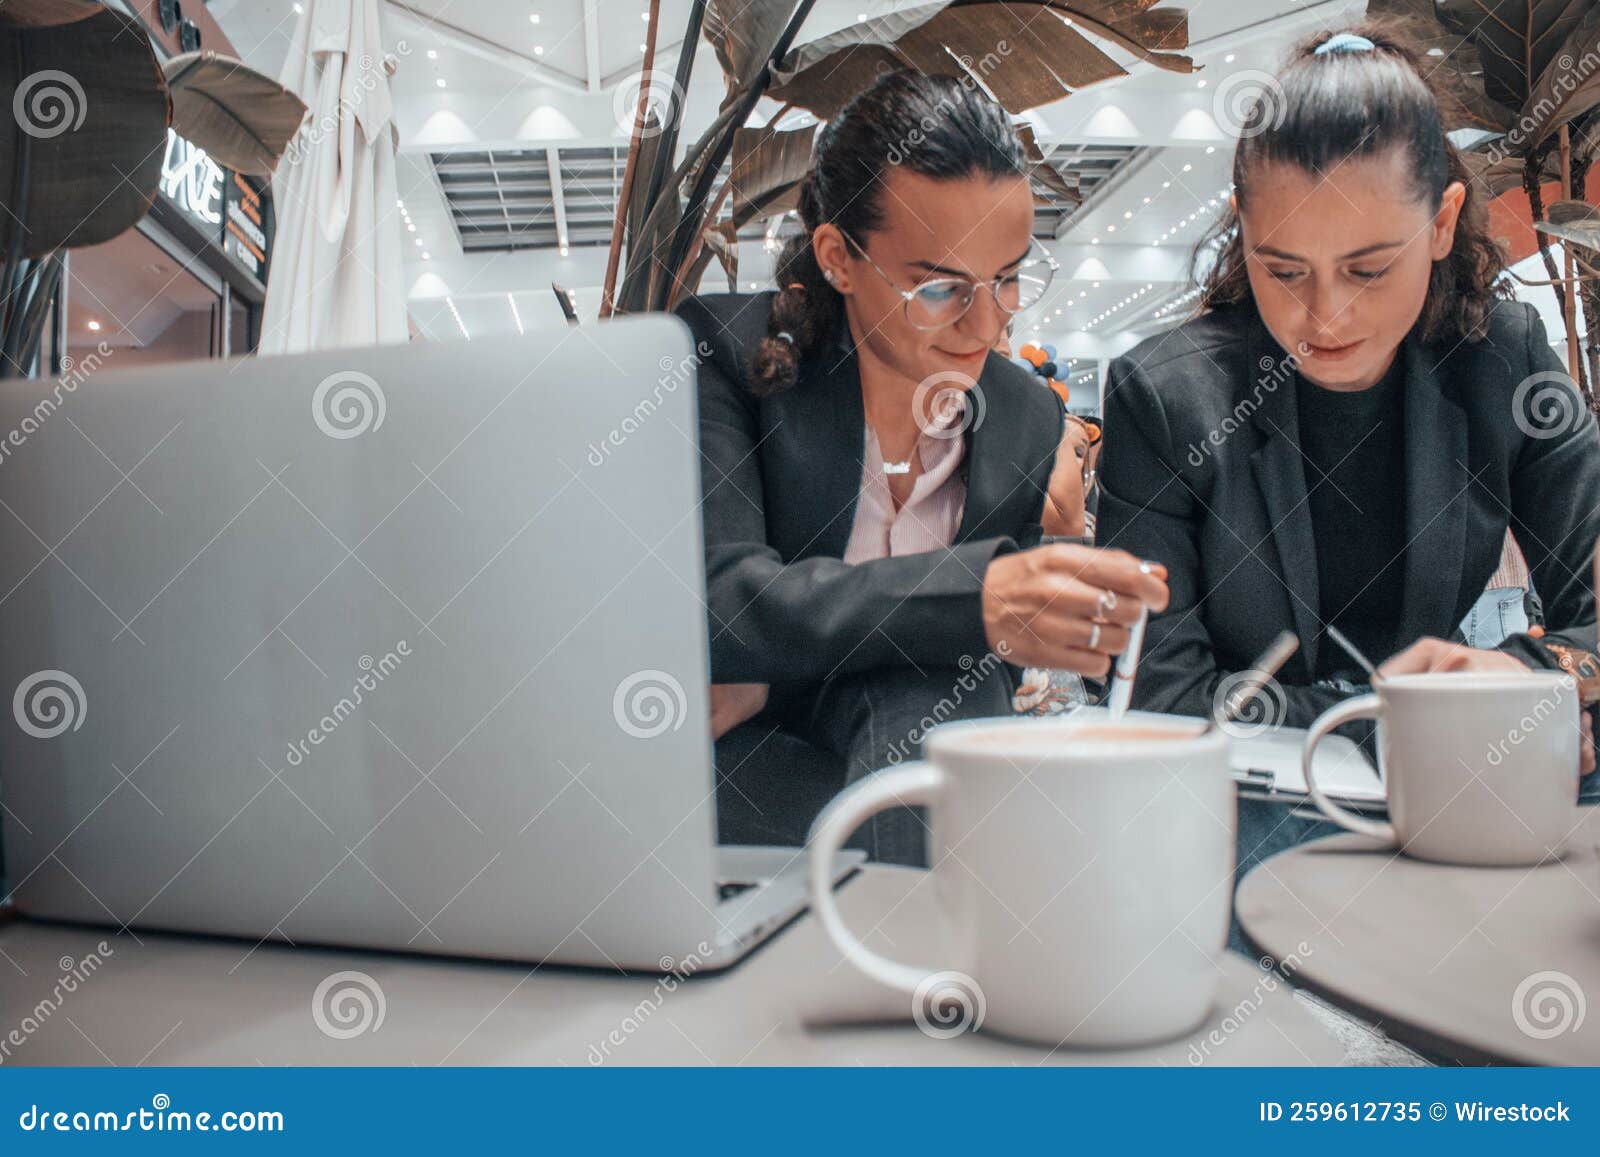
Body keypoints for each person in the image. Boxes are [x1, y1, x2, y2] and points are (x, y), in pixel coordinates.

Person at [1095, 24, 1600, 894]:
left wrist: (1523, 673)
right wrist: (1425, 722)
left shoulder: (1502, 360)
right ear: (1241, 229)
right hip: (1247, 793)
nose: (1323, 319)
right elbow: (1161, 698)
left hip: (1450, 781)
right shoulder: (1167, 398)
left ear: (1442, 222)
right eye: (1283, 270)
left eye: (1369, 269)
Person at [682, 71, 1169, 864]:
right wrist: (972, 594)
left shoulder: (1023, 415)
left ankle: (906, 954)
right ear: (840, 257)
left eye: (1008, 276)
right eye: (941, 288)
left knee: (926, 697)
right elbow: (725, 601)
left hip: (919, 761)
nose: (988, 324)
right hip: (751, 764)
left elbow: (970, 665)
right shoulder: (726, 352)